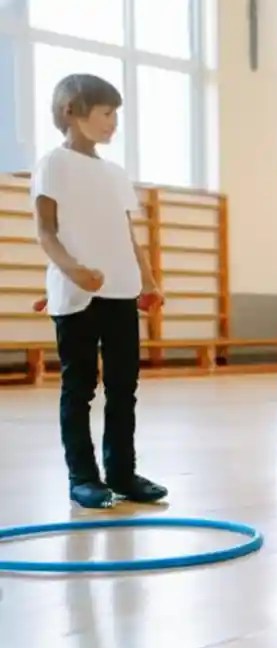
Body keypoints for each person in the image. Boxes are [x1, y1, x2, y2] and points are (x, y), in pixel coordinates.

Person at [31, 73, 168, 508]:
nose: (113, 122)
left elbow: (126, 232)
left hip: (121, 291)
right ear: (72, 111)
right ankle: (83, 477)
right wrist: (73, 270)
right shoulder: (53, 163)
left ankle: (122, 472)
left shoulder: (114, 172)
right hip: (76, 295)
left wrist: (147, 280)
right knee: (80, 386)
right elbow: (46, 231)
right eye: (107, 113)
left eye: (116, 114)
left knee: (124, 386)